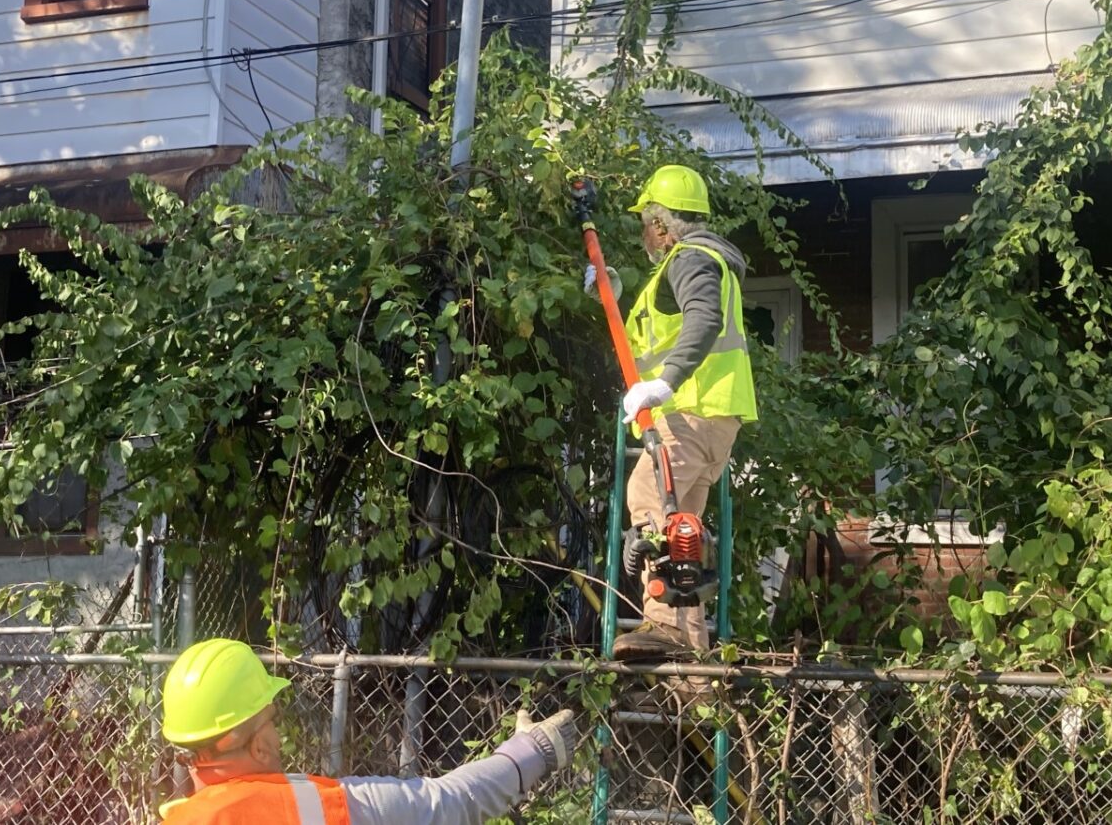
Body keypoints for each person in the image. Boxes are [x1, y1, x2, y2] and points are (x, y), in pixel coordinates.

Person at [584, 164, 757, 661]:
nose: (643, 232)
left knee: (649, 499)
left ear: (661, 225)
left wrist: (664, 383)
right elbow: (656, 331)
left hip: (692, 410)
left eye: (646, 221)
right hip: (710, 415)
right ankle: (695, 684)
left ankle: (664, 626)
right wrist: (613, 298)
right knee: (682, 534)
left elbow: (703, 321)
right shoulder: (692, 263)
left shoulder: (691, 260)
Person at [159, 638, 576, 824]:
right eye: (273, 718)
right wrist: (532, 751)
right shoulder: (309, 810)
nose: (278, 730)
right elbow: (445, 804)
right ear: (260, 746)